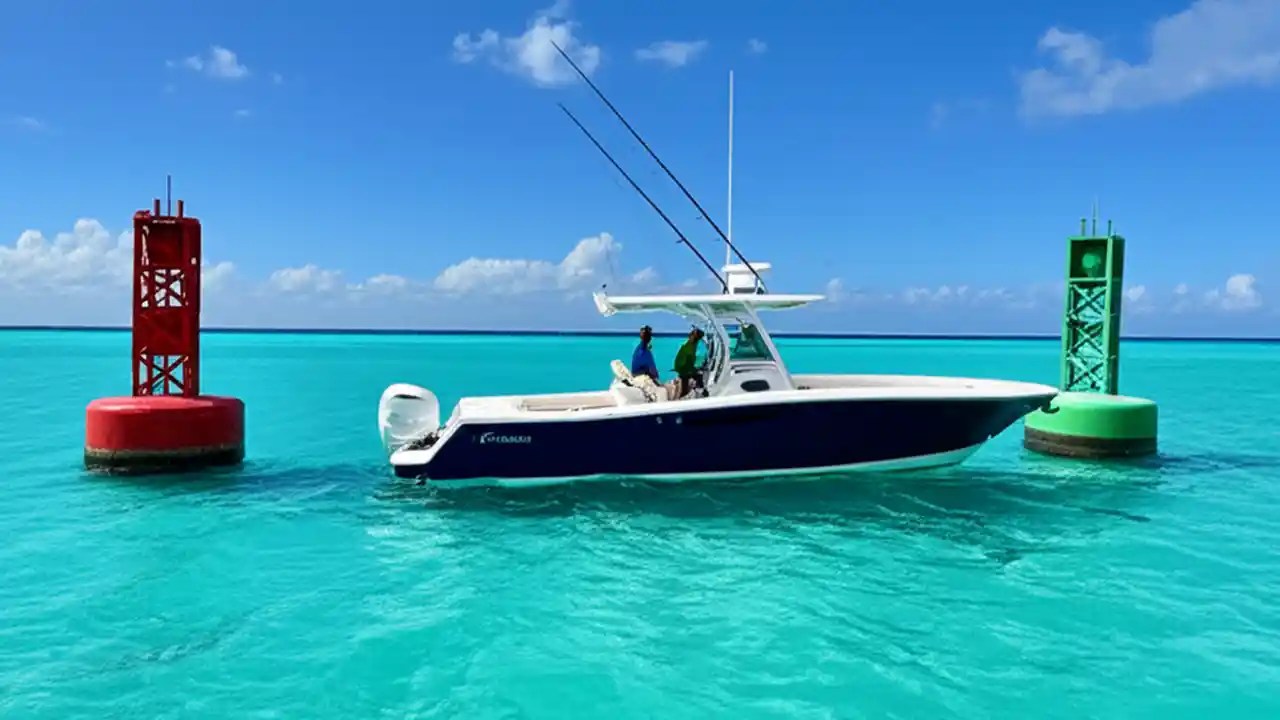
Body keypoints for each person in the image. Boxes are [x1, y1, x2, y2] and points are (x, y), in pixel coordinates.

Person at [673, 327, 705, 397]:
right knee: (697, 376)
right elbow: (686, 361)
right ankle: (700, 394)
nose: (697, 340)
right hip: (683, 369)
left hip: (684, 367)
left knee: (698, 376)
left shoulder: (692, 344)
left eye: (697, 338)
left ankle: (698, 392)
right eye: (695, 337)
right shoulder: (687, 346)